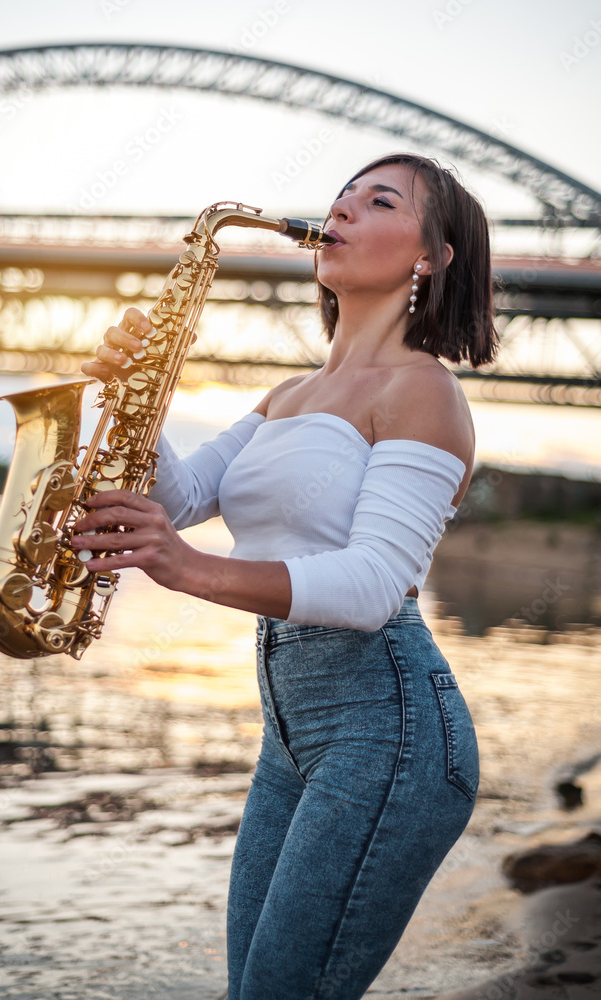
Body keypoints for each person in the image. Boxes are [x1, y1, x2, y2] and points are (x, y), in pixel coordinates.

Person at [74, 152, 499, 1000]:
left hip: (392, 733)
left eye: (378, 201)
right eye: (341, 195)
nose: (340, 210)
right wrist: (133, 398)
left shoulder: (425, 393)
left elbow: (375, 585)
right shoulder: (288, 393)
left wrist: (188, 569)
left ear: (432, 256)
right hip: (293, 734)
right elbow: (186, 494)